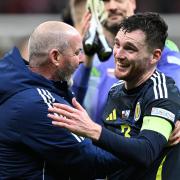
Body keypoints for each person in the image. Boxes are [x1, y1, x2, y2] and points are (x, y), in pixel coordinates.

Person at [48, 12, 180, 179]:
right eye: (117, 44)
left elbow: (146, 152)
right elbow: (111, 154)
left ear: (155, 56)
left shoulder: (161, 92)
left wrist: (93, 130)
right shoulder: (115, 91)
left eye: (130, 48)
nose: (118, 54)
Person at [0, 21, 128, 179]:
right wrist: (145, 145)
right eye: (77, 53)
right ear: (55, 57)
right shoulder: (38, 103)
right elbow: (92, 162)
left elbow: (71, 100)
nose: (82, 59)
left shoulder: (28, 86)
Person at [71, 0, 180, 124]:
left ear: (132, 3)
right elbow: (71, 103)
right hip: (95, 141)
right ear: (96, 8)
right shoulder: (87, 54)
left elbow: (174, 95)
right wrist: (86, 57)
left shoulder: (162, 50)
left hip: (141, 139)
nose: (112, 6)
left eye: (119, 0)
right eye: (105, 1)